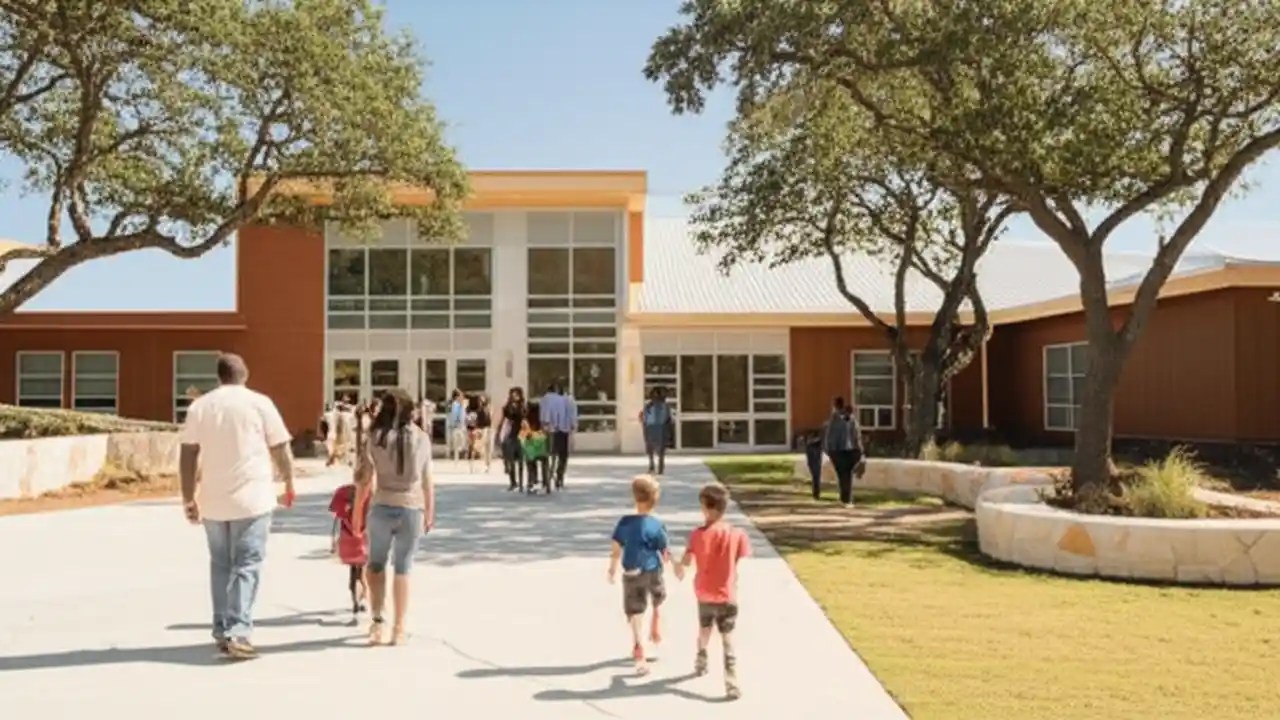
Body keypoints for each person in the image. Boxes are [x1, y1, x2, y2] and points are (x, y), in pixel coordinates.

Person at [179, 353, 294, 661]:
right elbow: (281, 447)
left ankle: (221, 628)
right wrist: (289, 482)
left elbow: (188, 454)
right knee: (247, 563)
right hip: (253, 498)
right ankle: (238, 631)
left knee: (220, 564)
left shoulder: (200, 407)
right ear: (246, 374)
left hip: (213, 500)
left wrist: (188, 496)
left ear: (219, 376)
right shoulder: (260, 403)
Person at [354, 387, 435, 646]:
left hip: (381, 506)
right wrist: (429, 511)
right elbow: (427, 480)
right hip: (411, 507)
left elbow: (364, 480)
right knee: (403, 567)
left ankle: (377, 621)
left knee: (375, 564)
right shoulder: (422, 438)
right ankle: (399, 629)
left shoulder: (374, 437)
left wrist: (357, 512)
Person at [673, 482, 751, 701]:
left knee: (704, 628)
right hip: (727, 594)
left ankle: (701, 658)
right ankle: (731, 681)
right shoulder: (737, 534)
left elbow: (684, 566)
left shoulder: (698, 535)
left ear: (707, 508)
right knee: (727, 636)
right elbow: (740, 563)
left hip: (704, 593)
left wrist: (675, 563)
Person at [607, 474, 671, 676]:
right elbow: (664, 550)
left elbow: (616, 547)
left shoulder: (625, 522)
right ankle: (656, 625)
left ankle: (638, 645)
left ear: (635, 497)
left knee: (635, 610)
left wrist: (612, 567)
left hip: (632, 571)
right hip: (652, 570)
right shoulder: (657, 524)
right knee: (657, 598)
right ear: (655, 499)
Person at [328, 481, 369, 623]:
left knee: (353, 571)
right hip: (364, 539)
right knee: (362, 572)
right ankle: (362, 598)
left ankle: (355, 601)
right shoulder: (370, 493)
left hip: (347, 539)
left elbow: (335, 515)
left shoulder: (342, 492)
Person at [822, 396, 864, 508]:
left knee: (842, 475)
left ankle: (845, 498)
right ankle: (847, 498)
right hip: (849, 451)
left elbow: (829, 436)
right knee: (847, 475)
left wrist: (828, 450)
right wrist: (860, 451)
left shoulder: (835, 419)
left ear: (835, 406)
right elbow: (857, 436)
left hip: (839, 451)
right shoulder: (851, 419)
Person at [540, 381, 575, 489]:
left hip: (550, 430)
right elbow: (572, 415)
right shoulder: (568, 399)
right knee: (562, 455)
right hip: (563, 430)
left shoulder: (547, 398)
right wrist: (572, 426)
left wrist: (545, 424)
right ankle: (559, 477)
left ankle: (547, 478)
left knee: (548, 454)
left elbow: (544, 415)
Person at [639, 387, 674, 475]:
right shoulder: (651, 406)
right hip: (655, 428)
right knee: (655, 449)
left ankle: (656, 466)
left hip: (656, 428)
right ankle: (655, 466)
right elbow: (643, 418)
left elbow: (669, 419)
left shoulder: (662, 406)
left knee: (655, 449)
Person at [498, 387, 527, 492]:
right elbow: (505, 420)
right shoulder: (507, 407)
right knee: (511, 462)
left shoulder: (523, 407)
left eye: (517, 395)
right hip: (510, 437)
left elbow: (524, 418)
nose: (515, 397)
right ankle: (513, 482)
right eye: (513, 395)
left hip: (520, 436)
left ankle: (520, 483)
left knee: (520, 461)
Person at [519, 418, 551, 493]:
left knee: (531, 464)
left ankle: (532, 482)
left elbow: (523, 446)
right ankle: (544, 483)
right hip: (540, 453)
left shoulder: (523, 434)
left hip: (533, 454)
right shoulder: (539, 434)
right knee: (542, 465)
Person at [473, 394, 494, 473]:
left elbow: (490, 420)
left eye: (482, 400)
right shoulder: (480, 410)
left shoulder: (488, 409)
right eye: (480, 400)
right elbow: (478, 421)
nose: (480, 401)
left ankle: (488, 465)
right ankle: (485, 465)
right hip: (483, 429)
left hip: (488, 429)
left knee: (488, 448)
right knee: (483, 448)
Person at [446, 389, 467, 461]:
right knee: (458, 443)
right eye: (460, 396)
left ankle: (456, 457)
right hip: (457, 427)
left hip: (459, 426)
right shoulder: (455, 405)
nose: (462, 397)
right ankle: (456, 457)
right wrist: (457, 424)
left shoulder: (458, 405)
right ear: (456, 397)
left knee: (459, 442)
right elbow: (455, 416)